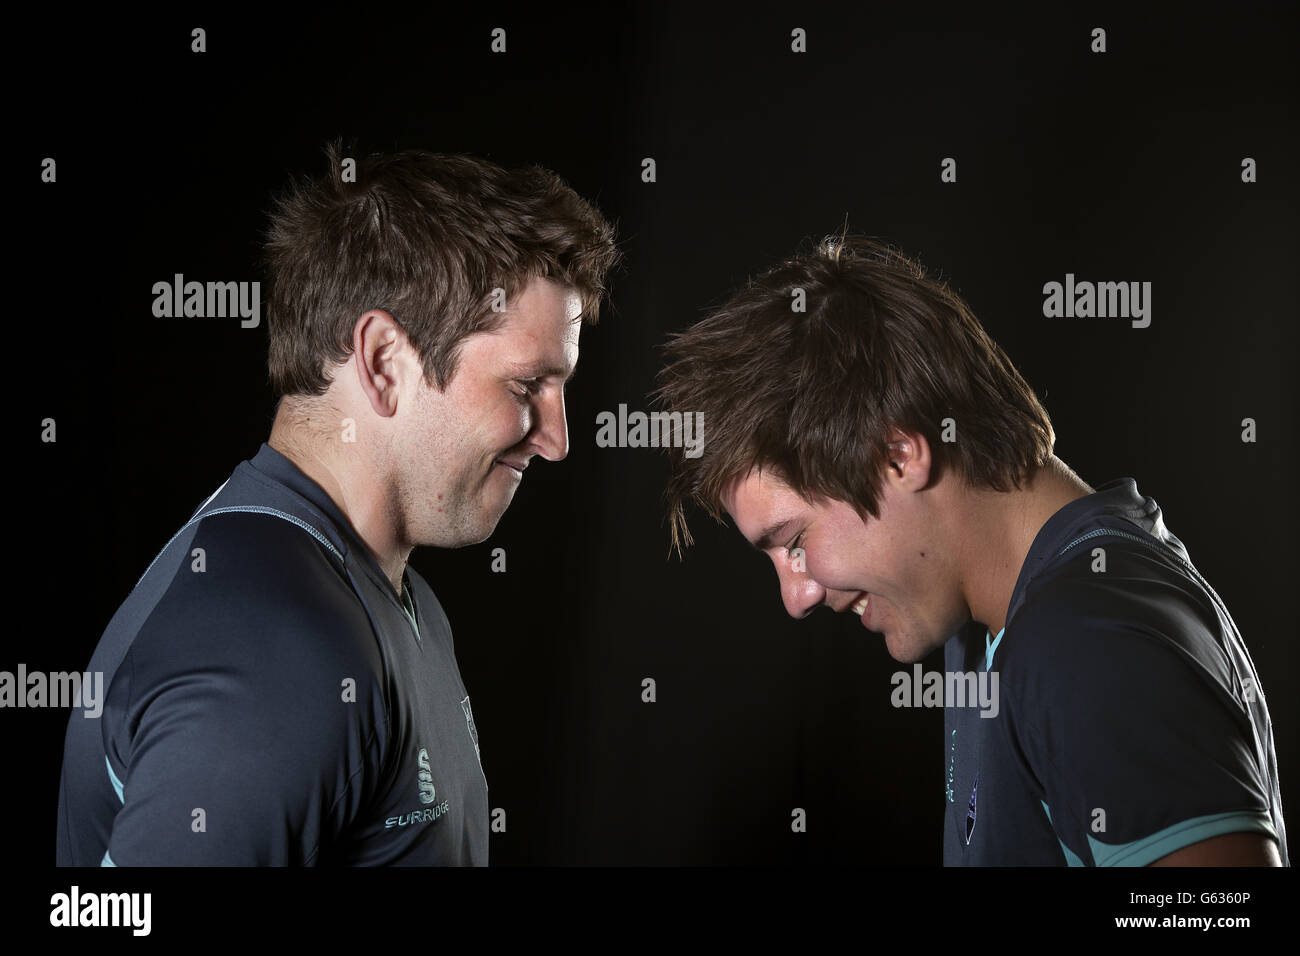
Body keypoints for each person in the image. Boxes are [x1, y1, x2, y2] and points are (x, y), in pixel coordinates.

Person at [56, 143, 619, 865]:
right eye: (525, 387)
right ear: (385, 361)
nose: (557, 439)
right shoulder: (273, 652)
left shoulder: (382, 599)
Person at [655, 235, 1287, 866]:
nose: (797, 596)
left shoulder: (1089, 641)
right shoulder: (991, 619)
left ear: (896, 457)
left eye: (794, 541)